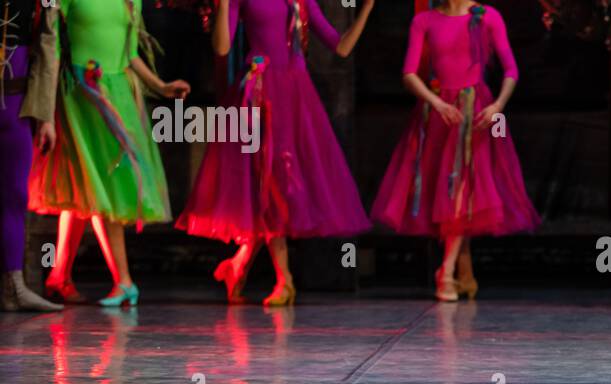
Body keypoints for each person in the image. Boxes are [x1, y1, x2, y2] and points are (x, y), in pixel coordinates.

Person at [175, 0, 375, 306]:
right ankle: (285, 279)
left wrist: (366, 10)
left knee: (279, 184)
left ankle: (239, 264)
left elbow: (342, 47)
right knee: (268, 182)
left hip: (294, 97)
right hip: (258, 93)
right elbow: (222, 48)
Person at [371, 0, 540, 303]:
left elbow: (511, 69)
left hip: (474, 114)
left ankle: (445, 272)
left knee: (462, 191)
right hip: (438, 113)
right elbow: (409, 73)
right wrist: (435, 103)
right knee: (448, 193)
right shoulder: (425, 21)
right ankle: (465, 269)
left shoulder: (488, 17)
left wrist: (498, 106)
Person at [29, 0, 191, 307]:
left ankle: (71, 276)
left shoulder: (131, 1)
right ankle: (112, 280)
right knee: (90, 188)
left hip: (115, 96)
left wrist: (161, 86)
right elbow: (48, 43)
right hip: (78, 94)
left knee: (100, 187)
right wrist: (45, 111)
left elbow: (128, 56)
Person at [0, 0, 60, 312]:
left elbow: (48, 48)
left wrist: (46, 116)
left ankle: (14, 287)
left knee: (15, 196)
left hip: (14, 109)